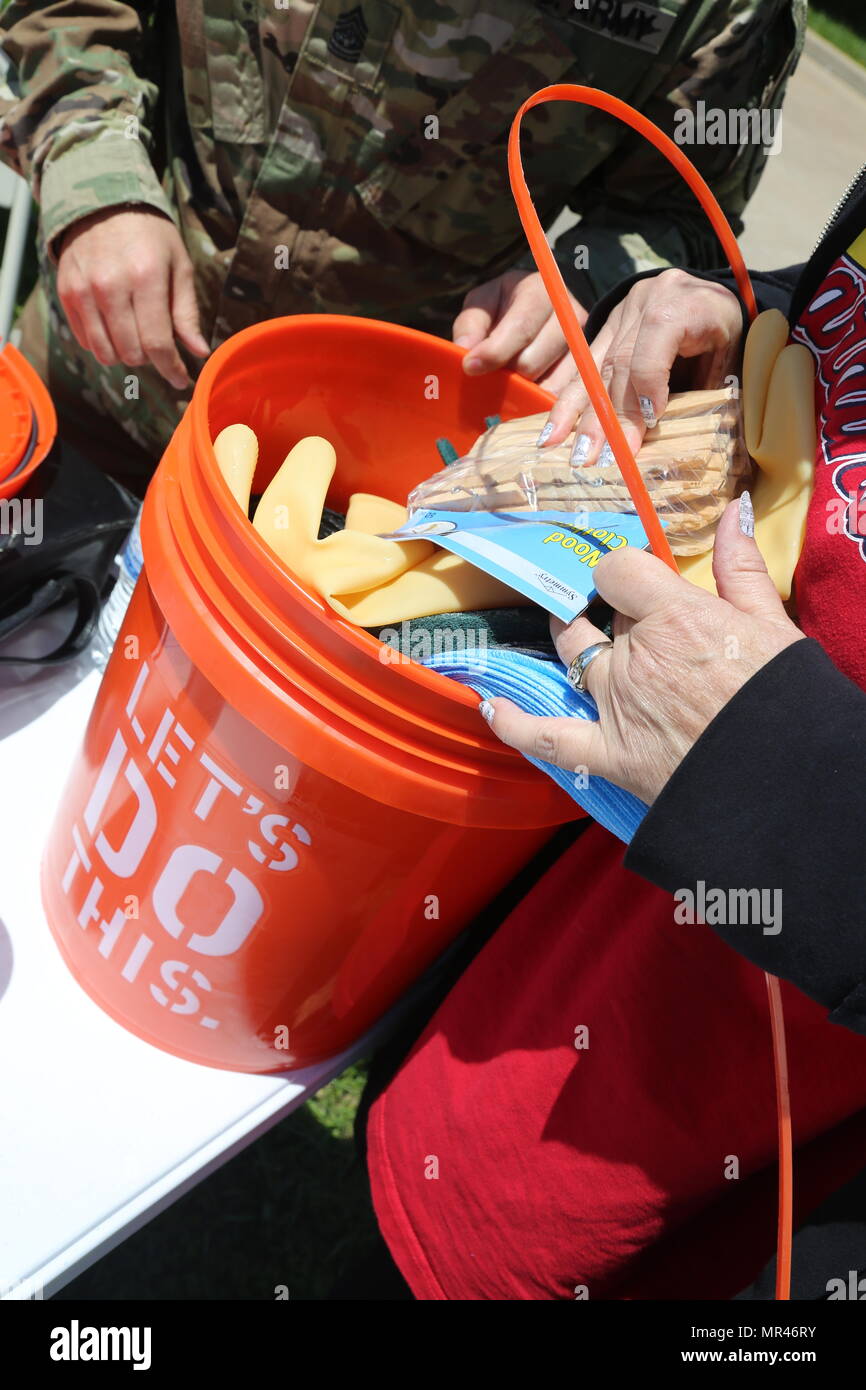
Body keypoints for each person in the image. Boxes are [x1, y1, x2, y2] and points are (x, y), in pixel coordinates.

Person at [357, 161, 866, 1299]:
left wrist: (776, 772)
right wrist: (740, 311)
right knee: (437, 1182)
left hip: (771, 1068)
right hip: (611, 906)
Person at [0, 0, 804, 488]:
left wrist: (585, 278)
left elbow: (686, 206)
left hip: (358, 480)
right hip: (90, 393)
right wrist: (92, 166)